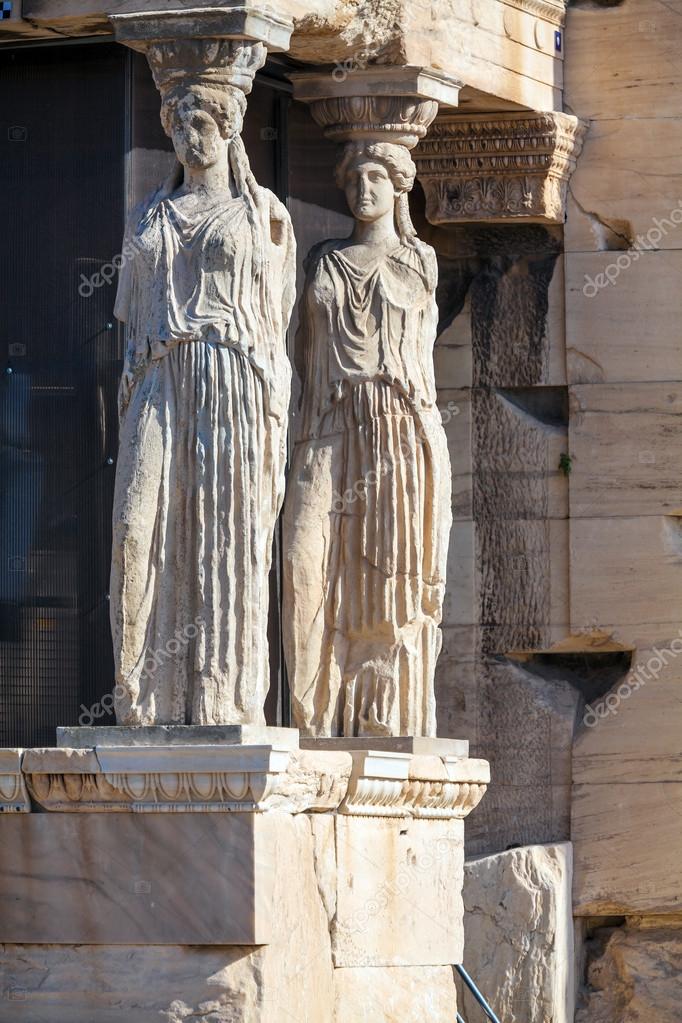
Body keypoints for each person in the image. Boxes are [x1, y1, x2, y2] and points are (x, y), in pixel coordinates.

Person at [111, 49, 295, 726]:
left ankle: (221, 698)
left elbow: (276, 319)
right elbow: (129, 322)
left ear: (230, 129)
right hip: (157, 375)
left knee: (223, 533)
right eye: (179, 125)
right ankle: (142, 695)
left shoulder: (264, 216)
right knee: (138, 525)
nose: (189, 137)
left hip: (230, 376)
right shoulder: (148, 217)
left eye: (202, 124)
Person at [283, 139, 451, 737]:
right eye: (355, 178)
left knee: (390, 575)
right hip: (325, 423)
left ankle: (379, 714)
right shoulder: (323, 262)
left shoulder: (419, 263)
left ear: (400, 187)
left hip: (396, 426)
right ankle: (315, 712)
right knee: (307, 561)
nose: (364, 189)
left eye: (377, 176)